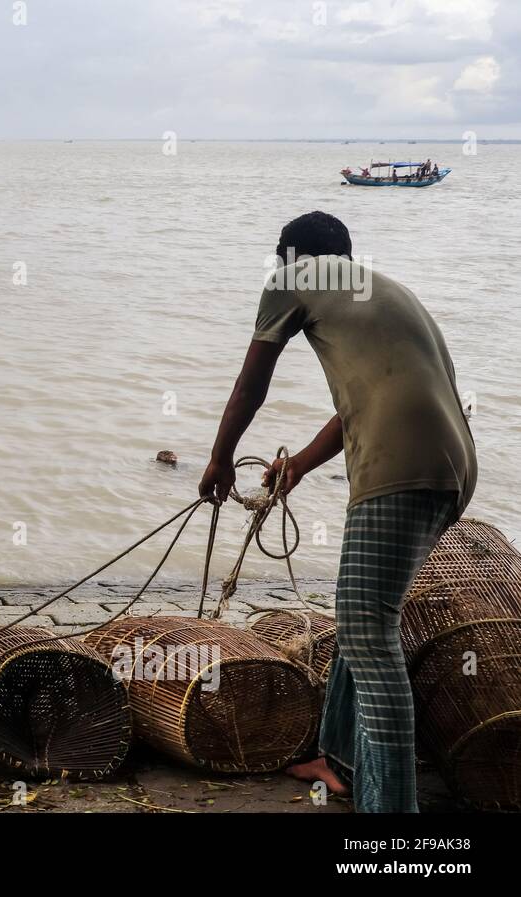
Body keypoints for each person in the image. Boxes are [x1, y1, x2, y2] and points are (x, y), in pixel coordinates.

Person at [198, 211, 476, 813]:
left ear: (291, 256)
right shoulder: (389, 291)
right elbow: (379, 392)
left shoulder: (289, 279)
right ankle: (341, 760)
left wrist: (219, 460)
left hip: (397, 466)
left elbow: (252, 383)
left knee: (368, 635)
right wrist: (297, 463)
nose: (276, 268)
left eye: (279, 258)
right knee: (364, 618)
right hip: (453, 467)